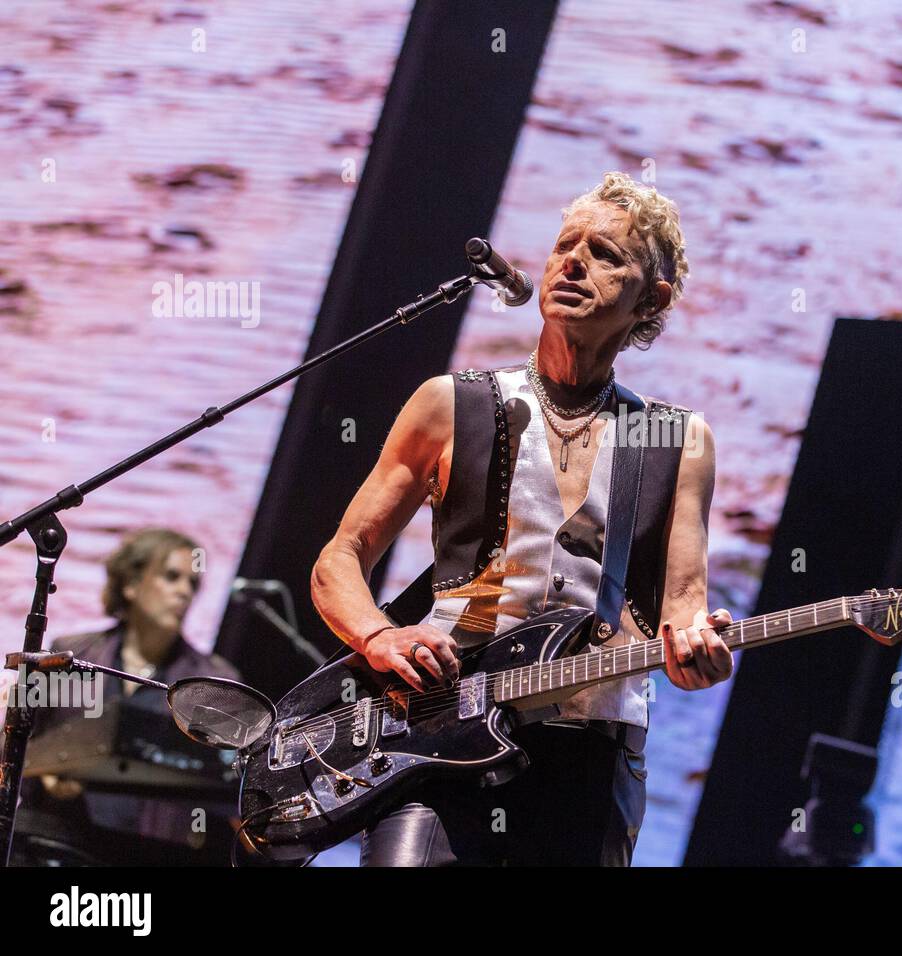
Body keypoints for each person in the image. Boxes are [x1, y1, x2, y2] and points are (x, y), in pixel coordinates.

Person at [310, 172, 734, 865]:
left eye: (605, 254)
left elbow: (683, 613)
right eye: (565, 244)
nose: (572, 262)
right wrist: (379, 637)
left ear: (650, 299)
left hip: (591, 756)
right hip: (441, 733)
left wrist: (697, 656)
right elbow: (339, 559)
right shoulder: (452, 405)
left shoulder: (678, 440)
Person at [17, 527, 241, 866]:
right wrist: (45, 770)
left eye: (192, 584)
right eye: (171, 577)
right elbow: (23, 741)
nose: (184, 592)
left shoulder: (216, 681)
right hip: (55, 837)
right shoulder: (71, 653)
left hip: (152, 851)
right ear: (131, 584)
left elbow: (219, 777)